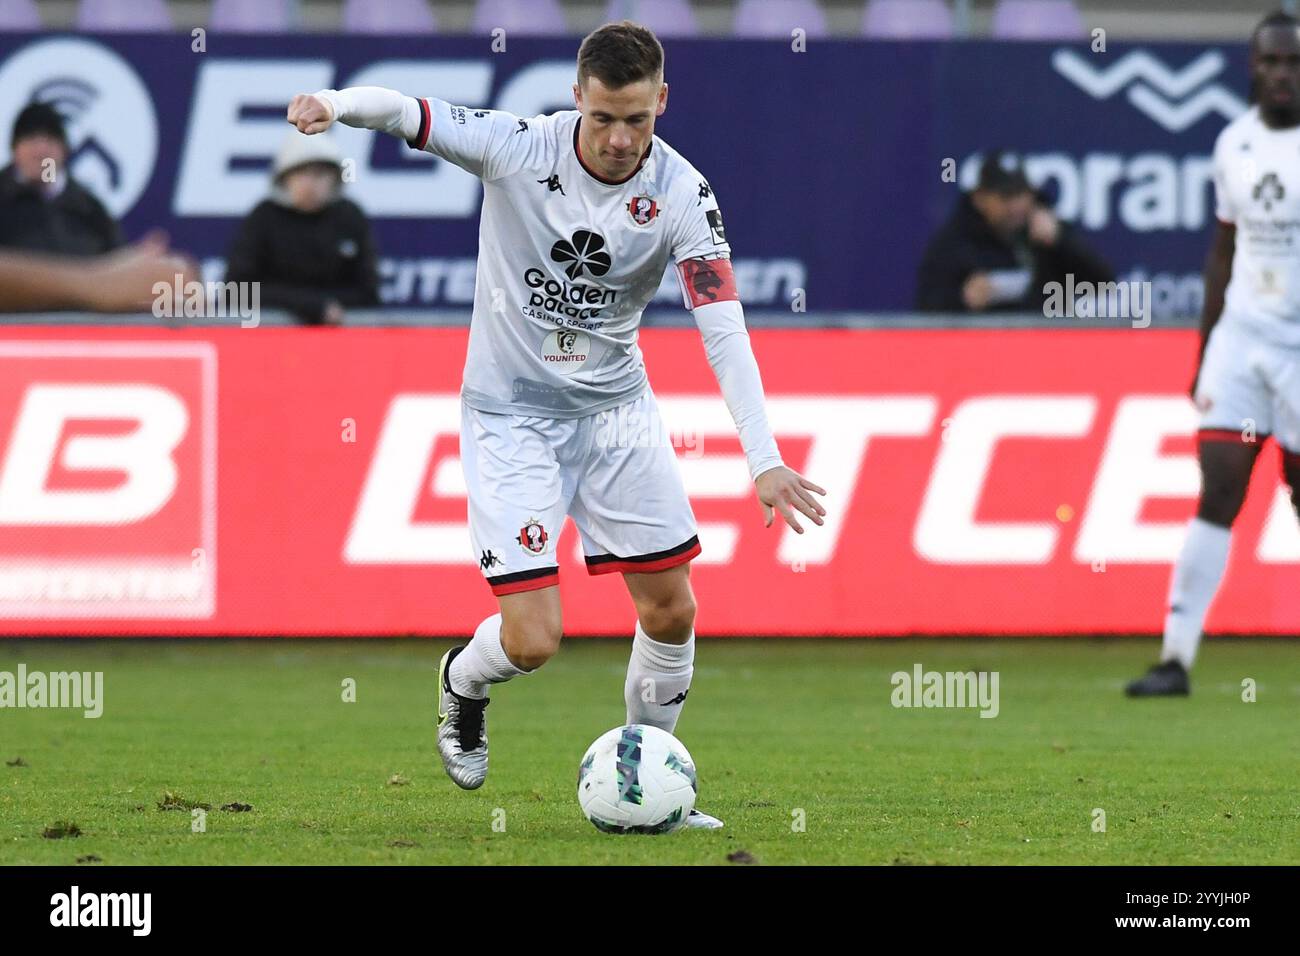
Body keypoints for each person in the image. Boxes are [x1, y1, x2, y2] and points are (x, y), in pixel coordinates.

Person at [287, 20, 826, 826]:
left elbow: (722, 323)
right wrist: (332, 104)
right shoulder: (516, 147)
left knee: (672, 608)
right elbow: (408, 112)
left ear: (662, 103)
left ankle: (645, 787)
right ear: (577, 98)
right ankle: (463, 684)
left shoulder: (683, 192)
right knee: (535, 639)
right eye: (603, 116)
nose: (617, 138)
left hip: (614, 413)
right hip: (509, 416)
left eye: (636, 119)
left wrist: (764, 458)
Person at [1127, 10, 1300, 696]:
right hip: (1243, 340)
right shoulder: (1233, 144)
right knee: (1221, 482)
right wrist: (1203, 351)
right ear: (1252, 69)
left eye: (1294, 64)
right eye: (1272, 63)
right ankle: (1175, 658)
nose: (1283, 75)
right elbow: (1223, 249)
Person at [915, 152, 1113, 313]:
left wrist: (1060, 242)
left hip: (1046, 347)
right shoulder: (954, 243)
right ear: (980, 198)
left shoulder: (1046, 231)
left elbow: (1103, 284)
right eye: (1006, 197)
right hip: (983, 350)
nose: (1016, 206)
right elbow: (926, 312)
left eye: (1022, 194)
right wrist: (962, 300)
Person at [224, 130, 378, 325]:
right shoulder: (263, 218)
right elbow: (236, 292)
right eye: (300, 173)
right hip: (270, 339)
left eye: (319, 174)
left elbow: (369, 292)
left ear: (335, 178)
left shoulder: (350, 218)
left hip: (339, 340)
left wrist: (329, 306)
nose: (309, 184)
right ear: (284, 178)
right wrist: (311, 306)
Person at [0, 101, 121, 256]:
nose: (41, 152)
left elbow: (114, 263)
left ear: (64, 151)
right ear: (15, 149)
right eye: (31, 140)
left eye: (50, 141)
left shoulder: (89, 211)